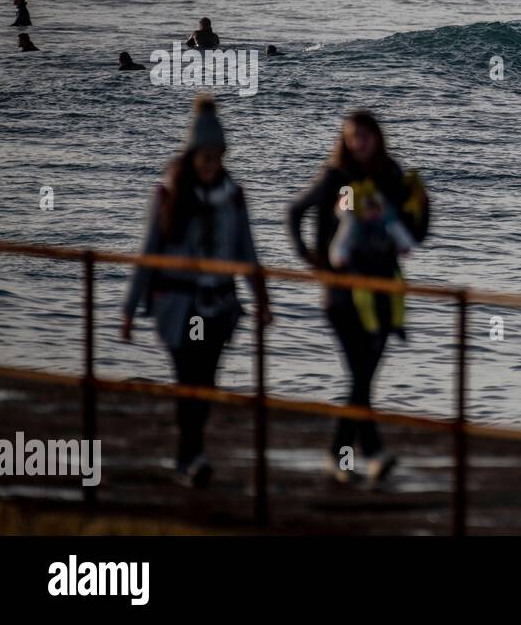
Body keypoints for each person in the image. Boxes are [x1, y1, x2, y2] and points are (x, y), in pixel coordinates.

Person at [122, 94, 271, 487]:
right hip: (179, 305)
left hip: (218, 306)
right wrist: (129, 308)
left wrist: (263, 300)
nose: (210, 165)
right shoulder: (168, 196)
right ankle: (191, 456)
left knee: (204, 381)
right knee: (189, 376)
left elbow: (248, 251)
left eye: (216, 157)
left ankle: (191, 454)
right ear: (191, 157)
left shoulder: (233, 197)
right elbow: (148, 252)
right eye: (203, 157)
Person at [288, 110, 429, 484]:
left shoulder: (391, 175)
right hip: (342, 293)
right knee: (360, 377)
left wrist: (423, 204)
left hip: (384, 290)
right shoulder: (335, 177)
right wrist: (310, 259)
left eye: (365, 136)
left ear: (377, 138)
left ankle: (362, 454)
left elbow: (413, 233)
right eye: (352, 137)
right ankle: (354, 455)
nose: (359, 143)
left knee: (363, 378)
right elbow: (295, 211)